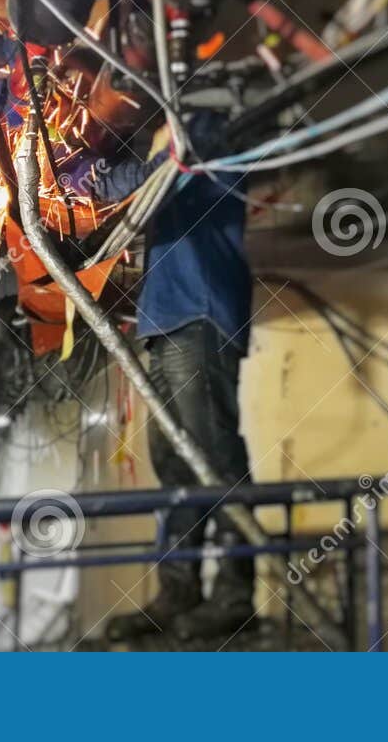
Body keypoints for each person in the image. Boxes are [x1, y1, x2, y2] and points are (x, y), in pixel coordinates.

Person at [88, 127, 258, 643]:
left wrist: (94, 177)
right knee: (175, 464)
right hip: (164, 325)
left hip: (199, 316)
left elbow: (147, 181)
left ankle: (234, 597)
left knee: (215, 458)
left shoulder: (210, 147)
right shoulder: (175, 159)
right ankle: (179, 590)